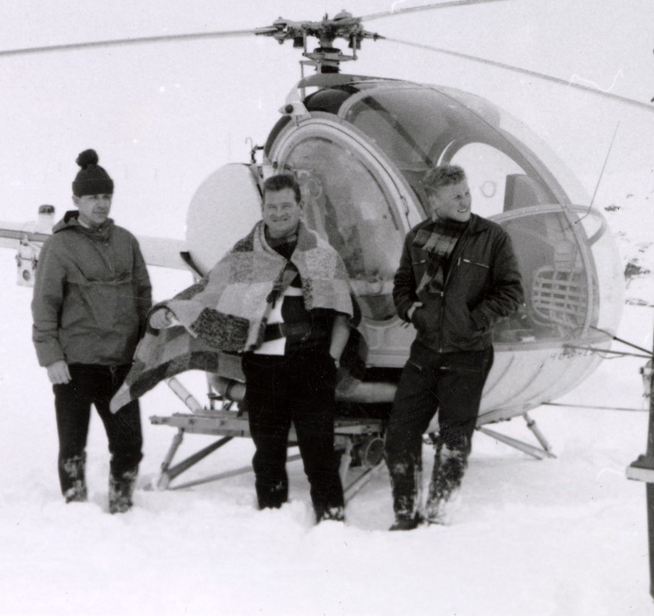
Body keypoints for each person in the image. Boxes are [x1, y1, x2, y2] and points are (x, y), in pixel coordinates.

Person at [145, 173, 354, 522]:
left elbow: (343, 314)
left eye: (286, 205)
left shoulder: (321, 253)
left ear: (300, 207)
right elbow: (210, 291)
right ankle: (272, 524)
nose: (279, 213)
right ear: (263, 208)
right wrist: (171, 309)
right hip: (264, 367)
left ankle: (332, 525)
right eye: (271, 207)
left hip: (312, 365)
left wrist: (331, 359)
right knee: (267, 455)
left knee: (319, 453)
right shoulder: (245, 253)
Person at [385, 164, 524, 530]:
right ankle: (405, 514)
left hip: (468, 354)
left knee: (452, 438)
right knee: (399, 433)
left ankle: (439, 515)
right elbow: (401, 284)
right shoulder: (418, 237)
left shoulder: (492, 237)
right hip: (426, 350)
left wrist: (474, 320)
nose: (465, 201)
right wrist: (412, 311)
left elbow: (512, 291)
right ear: (435, 201)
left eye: (466, 193)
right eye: (455, 197)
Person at [31, 149, 152, 514]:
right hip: (76, 365)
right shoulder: (59, 245)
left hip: (119, 364)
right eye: (92, 197)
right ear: (76, 201)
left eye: (105, 196)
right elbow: (44, 304)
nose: (101, 205)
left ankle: (122, 506)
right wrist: (51, 356)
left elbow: (143, 297)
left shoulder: (126, 241)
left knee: (129, 445)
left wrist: (145, 346)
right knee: (72, 447)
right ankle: (75, 511)